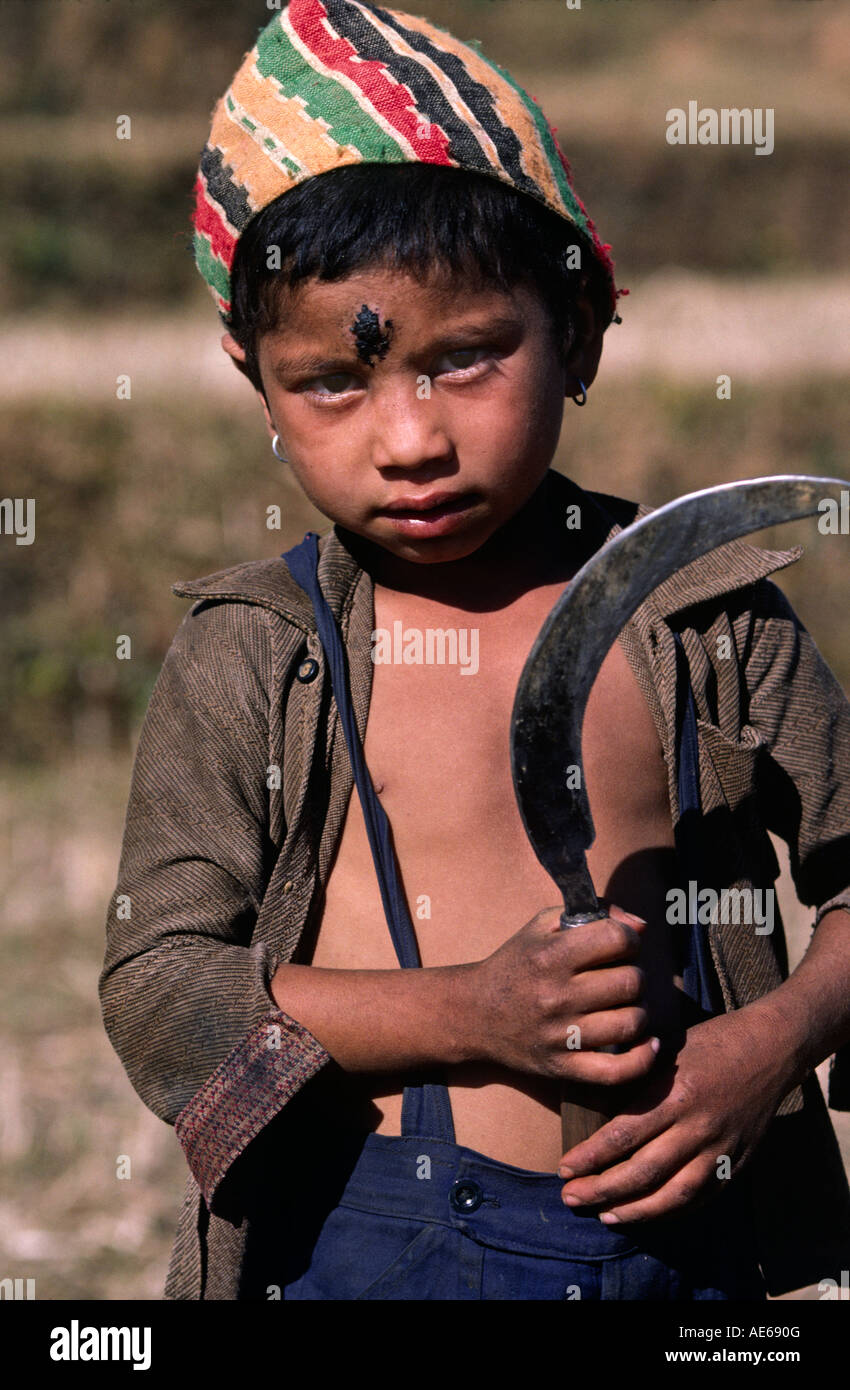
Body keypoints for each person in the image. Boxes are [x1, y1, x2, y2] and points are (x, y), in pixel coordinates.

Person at [100, 0, 850, 1301]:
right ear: (253, 378)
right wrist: (474, 1010)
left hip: (683, 1256)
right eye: (332, 382)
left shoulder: (702, 614)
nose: (411, 441)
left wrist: (771, 1045)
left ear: (579, 333)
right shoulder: (256, 655)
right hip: (358, 1248)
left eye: (469, 358)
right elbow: (160, 977)